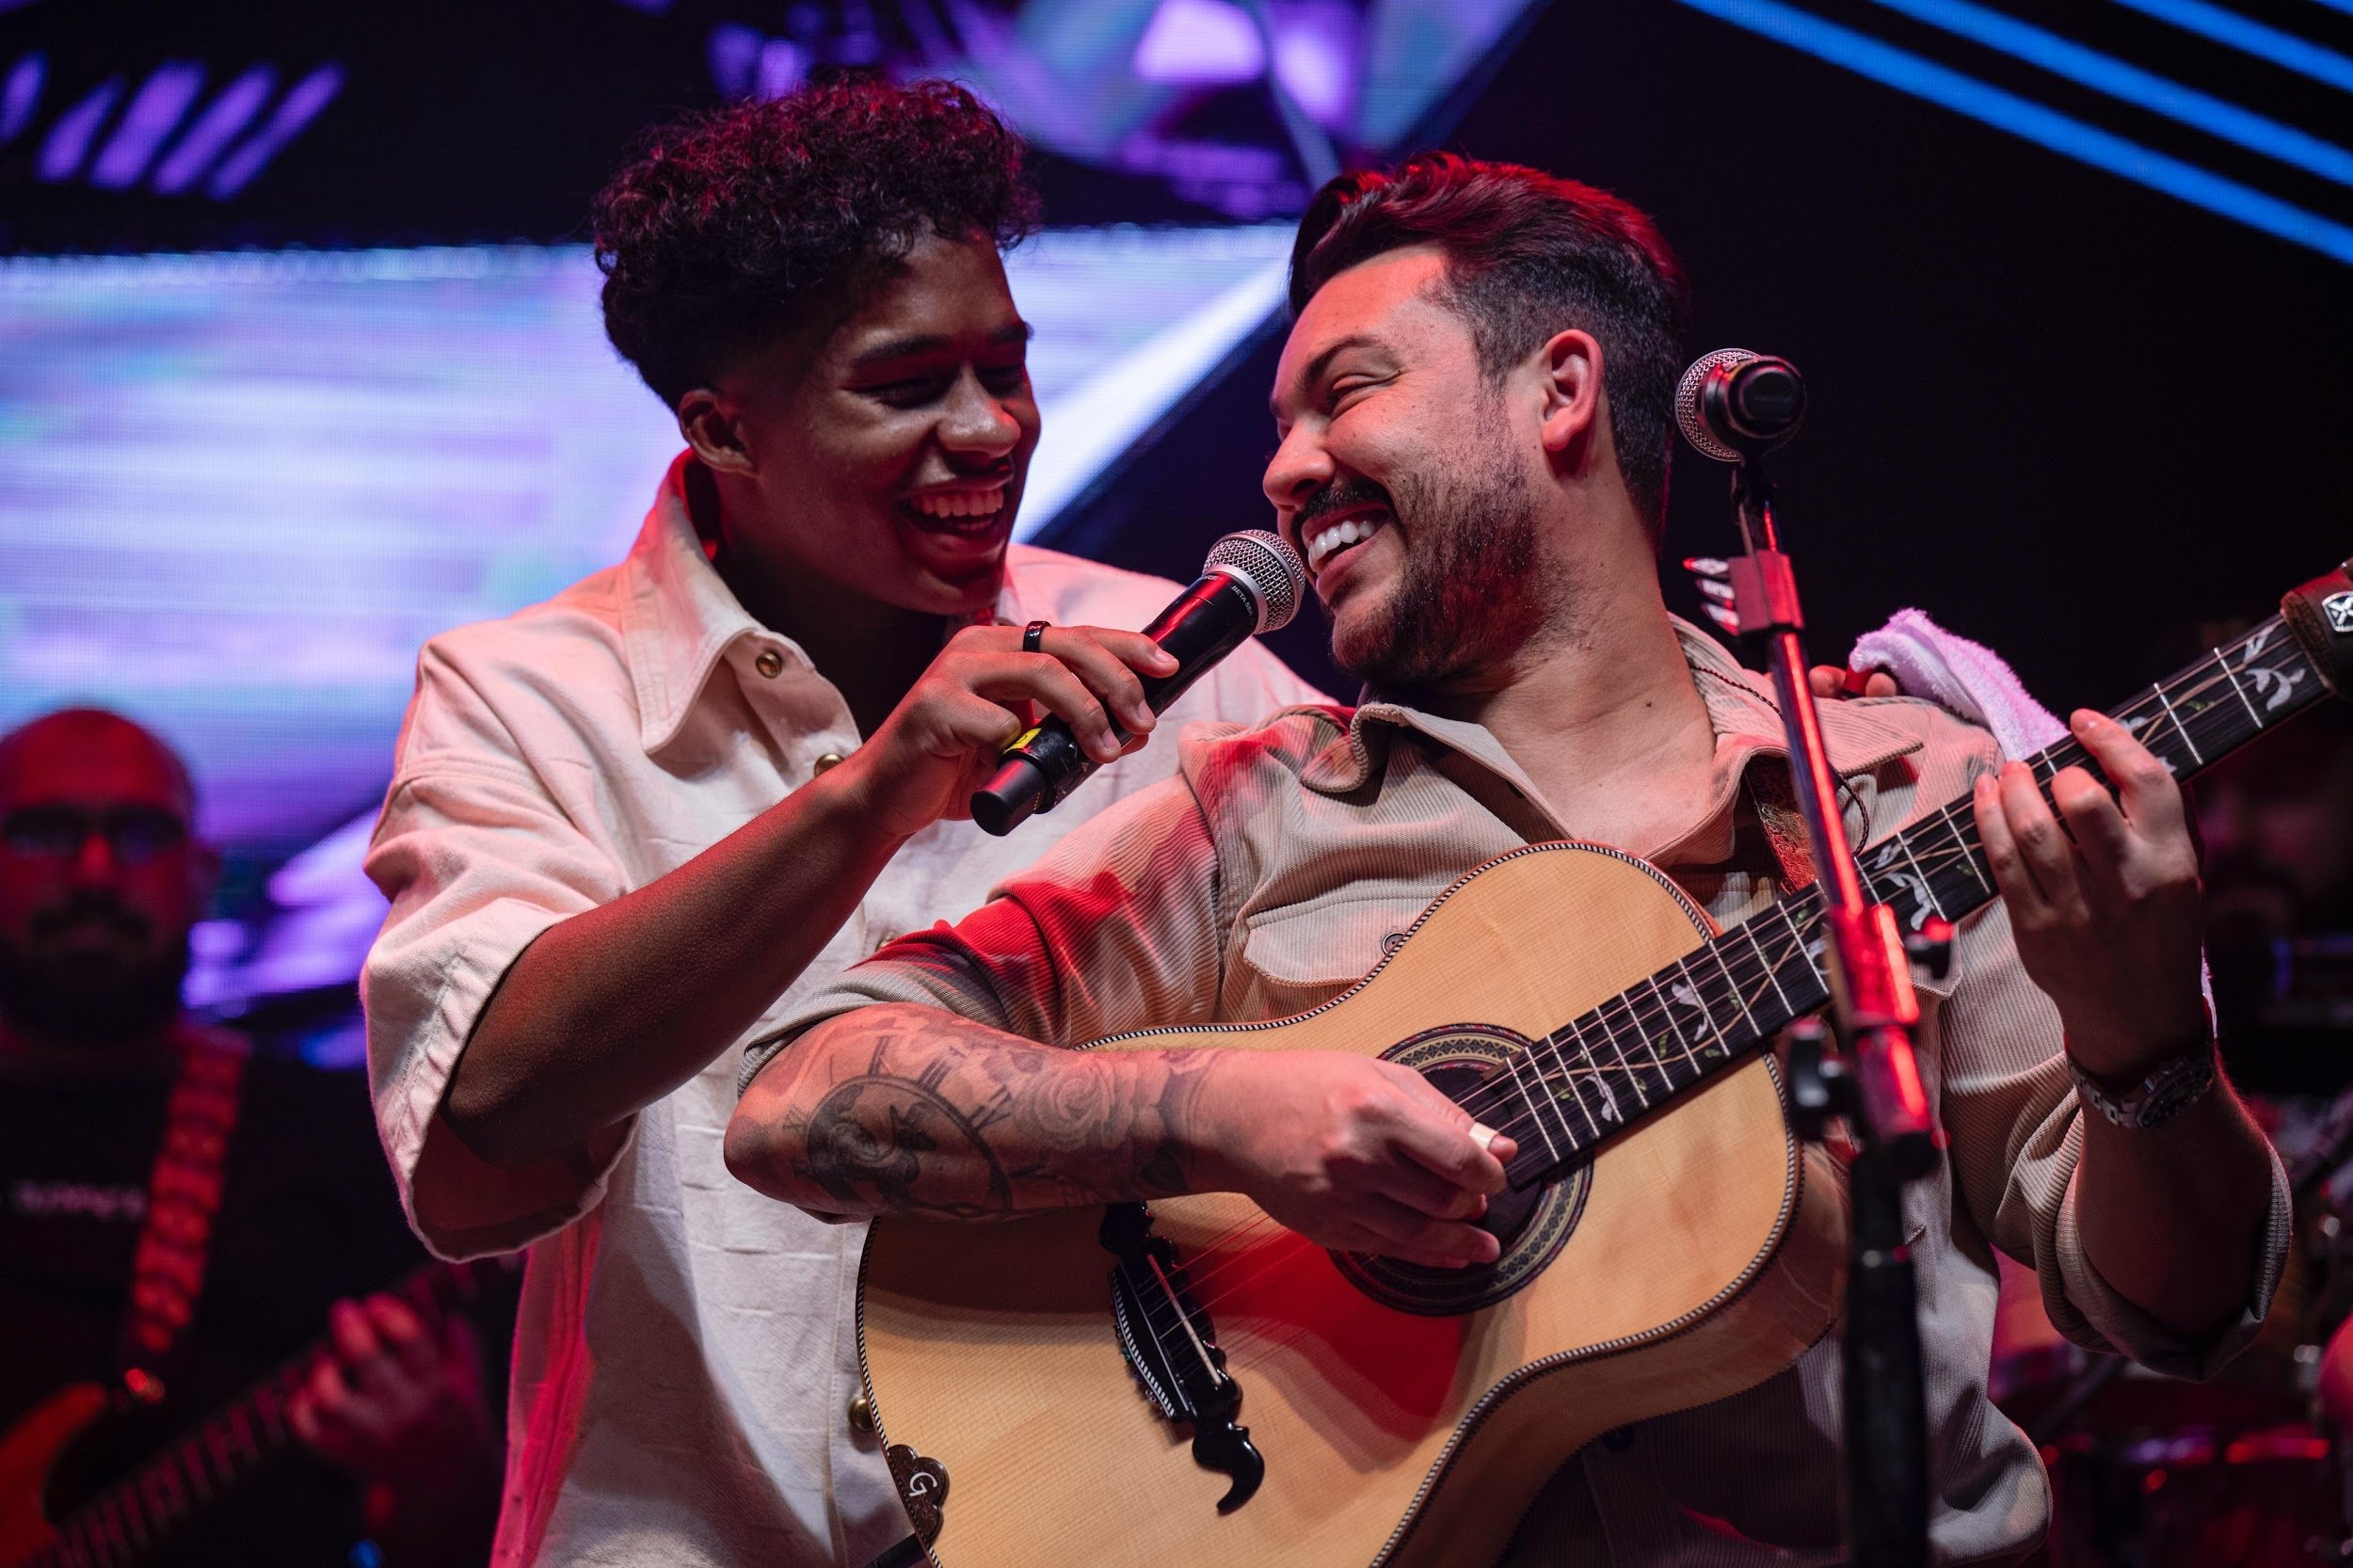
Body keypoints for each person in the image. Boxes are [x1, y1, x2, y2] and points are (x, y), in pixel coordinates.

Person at [725, 153, 2291, 1563]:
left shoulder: (1912, 792)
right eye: (1278, 426)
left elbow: (2186, 1308)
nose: (1283, 468)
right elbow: (799, 1089)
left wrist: (2148, 1044)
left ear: (1559, 392)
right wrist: (1216, 1109)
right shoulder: (1259, 811)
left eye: (1343, 392)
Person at [357, 78, 1323, 1568]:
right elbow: (489, 1114)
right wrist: (869, 799)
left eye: (1007, 366)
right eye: (908, 382)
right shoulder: (529, 695)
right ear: (721, 429)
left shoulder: (1189, 675)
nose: (990, 427)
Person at [0, 708, 500, 1567]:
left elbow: (453, 1541)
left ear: (201, 874)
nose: (93, 873)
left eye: (137, 835)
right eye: (46, 834)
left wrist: (436, 1462)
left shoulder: (349, 1136)